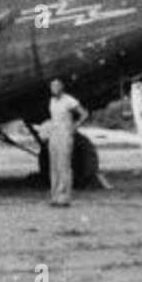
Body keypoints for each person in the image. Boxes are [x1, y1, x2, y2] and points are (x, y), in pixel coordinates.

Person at [47, 78, 88, 207]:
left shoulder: (69, 100)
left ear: (62, 88)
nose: (54, 88)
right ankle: (54, 197)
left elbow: (84, 114)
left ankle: (64, 198)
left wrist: (75, 126)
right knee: (53, 165)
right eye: (52, 86)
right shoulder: (52, 101)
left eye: (57, 86)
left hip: (65, 134)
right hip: (54, 134)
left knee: (64, 165)